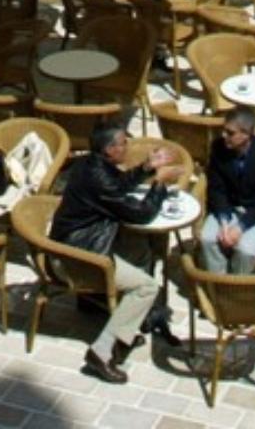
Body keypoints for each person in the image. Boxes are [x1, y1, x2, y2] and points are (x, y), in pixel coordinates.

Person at [49, 119, 181, 382]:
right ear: (109, 150)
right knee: (147, 287)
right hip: (78, 257)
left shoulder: (91, 164)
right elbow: (141, 214)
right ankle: (101, 352)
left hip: (76, 241)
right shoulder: (99, 177)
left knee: (141, 248)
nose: (127, 146)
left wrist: (145, 168)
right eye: (123, 143)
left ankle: (125, 318)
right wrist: (159, 184)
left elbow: (118, 184)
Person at [200, 106, 255, 274]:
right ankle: (218, 283)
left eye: (230, 133)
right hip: (227, 210)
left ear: (246, 134)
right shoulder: (218, 148)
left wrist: (241, 227)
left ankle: (238, 287)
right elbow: (216, 188)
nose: (224, 136)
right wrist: (224, 222)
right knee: (207, 239)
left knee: (245, 250)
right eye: (224, 130)